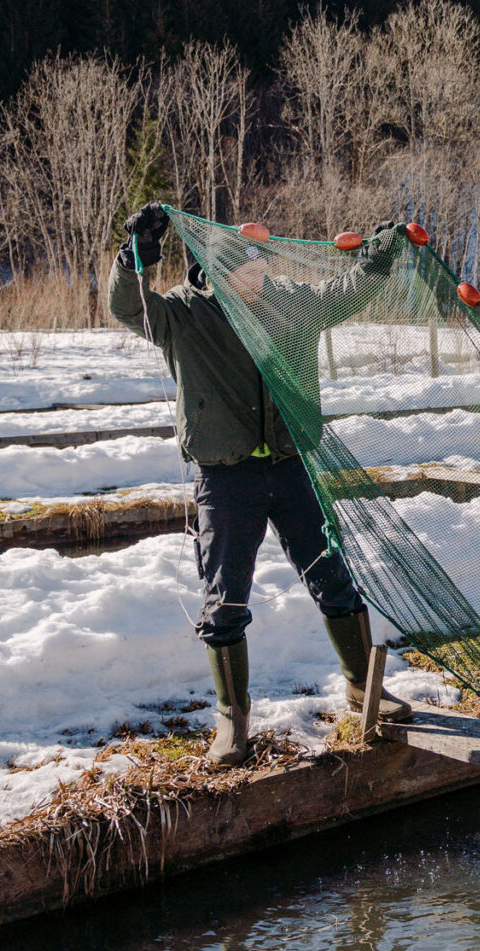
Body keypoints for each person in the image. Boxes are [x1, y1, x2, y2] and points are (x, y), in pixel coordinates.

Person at [114, 203, 413, 767]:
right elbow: (126, 305)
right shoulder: (183, 315)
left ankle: (360, 687)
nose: (258, 278)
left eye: (260, 267)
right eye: (245, 269)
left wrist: (379, 256)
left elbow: (346, 294)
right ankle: (233, 721)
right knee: (225, 598)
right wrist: (136, 256)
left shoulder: (288, 305)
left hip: (290, 463)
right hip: (225, 477)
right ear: (216, 272)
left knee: (333, 577)